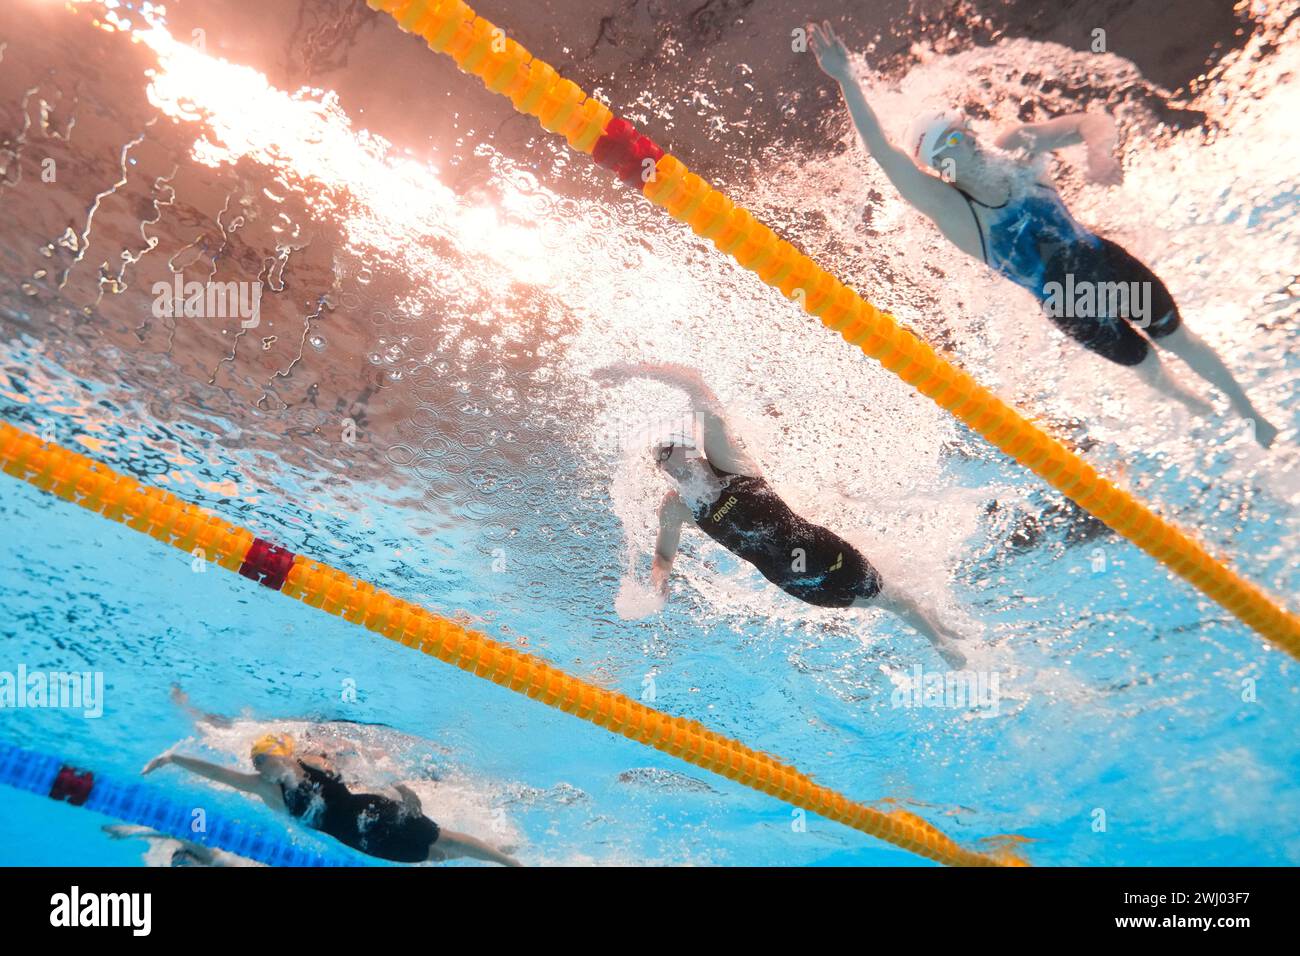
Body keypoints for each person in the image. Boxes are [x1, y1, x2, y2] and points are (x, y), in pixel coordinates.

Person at [807, 21, 1277, 448]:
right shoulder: (952, 210)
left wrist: (1099, 153)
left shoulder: (1014, 145)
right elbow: (884, 154)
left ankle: (1250, 413)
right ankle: (1193, 406)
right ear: (937, 164)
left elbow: (1091, 121)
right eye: (953, 138)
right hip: (1072, 308)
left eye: (964, 126)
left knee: (1181, 340)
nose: (969, 135)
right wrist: (847, 78)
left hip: (1107, 262)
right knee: (1150, 367)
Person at [597, 361, 969, 668]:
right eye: (662, 457)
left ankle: (938, 637)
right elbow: (663, 556)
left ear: (695, 450)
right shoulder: (678, 507)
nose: (671, 459)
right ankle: (936, 630)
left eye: (675, 449)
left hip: (829, 556)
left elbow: (693, 382)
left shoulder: (731, 464)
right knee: (883, 606)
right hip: (796, 586)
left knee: (891, 598)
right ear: (661, 470)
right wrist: (658, 584)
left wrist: (632, 371)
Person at [143, 734, 521, 866]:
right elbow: (215, 773)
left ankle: (509, 862)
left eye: (264, 758)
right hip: (359, 838)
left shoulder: (311, 759)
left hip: (373, 811)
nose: (258, 765)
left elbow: (351, 764)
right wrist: (172, 758)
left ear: (283, 755)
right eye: (256, 762)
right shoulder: (266, 789)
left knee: (445, 838)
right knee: (433, 856)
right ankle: (491, 849)